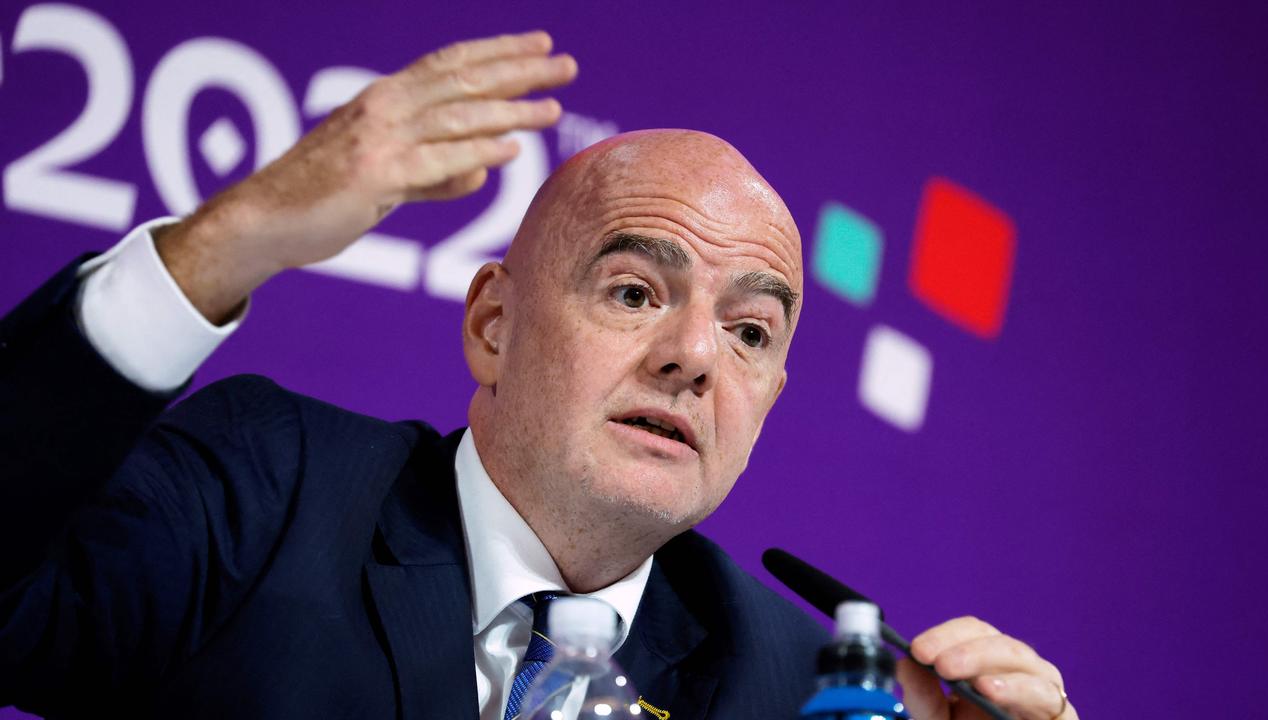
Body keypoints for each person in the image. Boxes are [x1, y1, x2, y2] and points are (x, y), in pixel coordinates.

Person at [0, 31, 1075, 720]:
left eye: (749, 333)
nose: (693, 356)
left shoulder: (801, 686)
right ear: (492, 325)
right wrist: (228, 241)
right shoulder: (265, 496)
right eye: (633, 293)